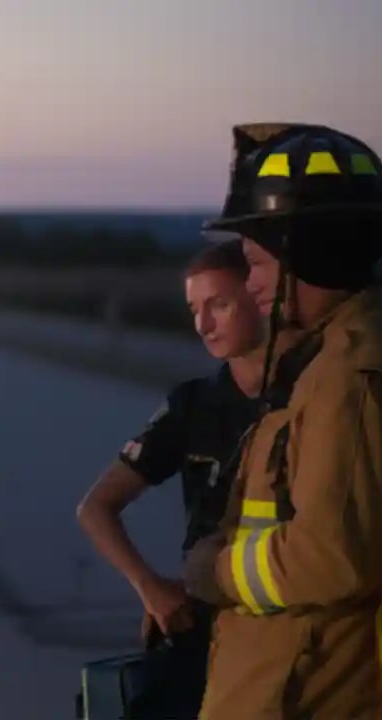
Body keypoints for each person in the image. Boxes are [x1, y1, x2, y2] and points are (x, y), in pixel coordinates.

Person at [182, 123, 382, 719]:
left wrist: (215, 571)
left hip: (314, 696)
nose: (249, 285)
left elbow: (331, 558)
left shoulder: (356, 377)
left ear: (307, 257)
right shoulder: (326, 361)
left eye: (254, 262)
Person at [76, 239, 267, 718]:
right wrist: (150, 586)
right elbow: (96, 508)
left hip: (274, 632)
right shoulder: (194, 404)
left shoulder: (310, 401)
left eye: (219, 305)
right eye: (194, 309)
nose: (203, 324)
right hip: (198, 626)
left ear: (263, 296)